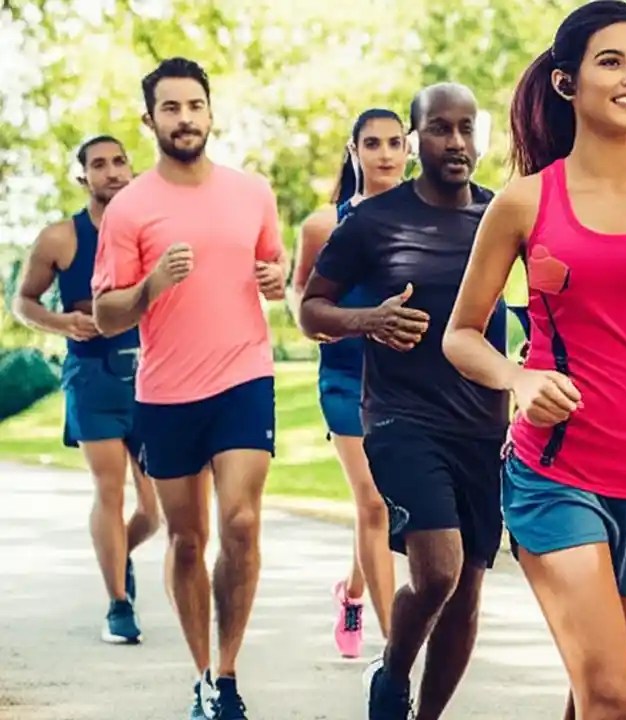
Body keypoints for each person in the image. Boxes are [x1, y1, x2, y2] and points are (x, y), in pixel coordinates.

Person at [442, 2, 626, 718]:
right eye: (612, 61)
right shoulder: (523, 202)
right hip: (553, 471)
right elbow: (461, 334)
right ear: (568, 84)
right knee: (612, 695)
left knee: (593, 692)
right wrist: (520, 377)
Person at [299, 82, 511, 720]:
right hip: (400, 418)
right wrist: (369, 321)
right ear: (415, 140)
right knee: (440, 569)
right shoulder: (371, 221)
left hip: (481, 422)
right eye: (440, 128)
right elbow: (311, 311)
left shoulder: (500, 216)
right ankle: (392, 674)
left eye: (467, 128)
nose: (456, 142)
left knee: (469, 585)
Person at [91, 57, 286, 720]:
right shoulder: (129, 209)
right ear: (151, 120)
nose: (184, 119)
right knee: (187, 539)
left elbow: (272, 263)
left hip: (243, 375)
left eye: (194, 106)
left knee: (241, 521)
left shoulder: (252, 191)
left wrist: (276, 281)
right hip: (167, 391)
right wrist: (149, 287)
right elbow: (105, 314)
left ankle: (228, 674)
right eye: (170, 109)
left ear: (210, 112)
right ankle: (201, 672)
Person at [12, 135, 160, 645]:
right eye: (99, 165)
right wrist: (63, 323)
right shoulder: (60, 239)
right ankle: (119, 603)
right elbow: (23, 302)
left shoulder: (151, 233)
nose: (113, 172)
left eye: (120, 161)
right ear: (84, 177)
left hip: (150, 375)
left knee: (153, 511)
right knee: (109, 489)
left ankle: (118, 559)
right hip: (91, 376)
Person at [289, 108, 409, 659]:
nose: (385, 154)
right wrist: (316, 326)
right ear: (353, 149)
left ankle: (353, 592)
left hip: (406, 381)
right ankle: (393, 653)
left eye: (394, 143)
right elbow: (300, 295)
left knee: (381, 505)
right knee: (374, 505)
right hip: (344, 378)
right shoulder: (323, 224)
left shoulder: (425, 217)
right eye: (372, 143)